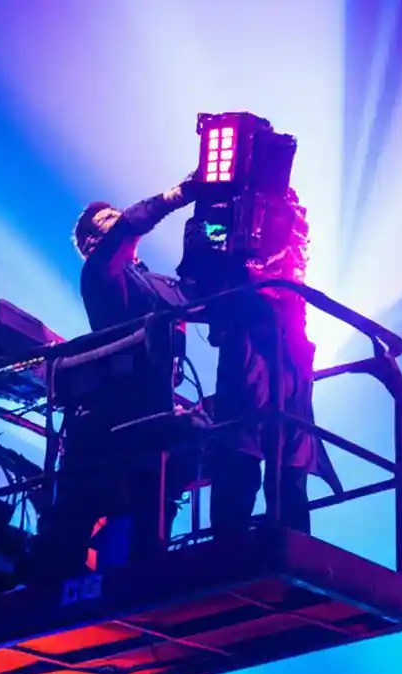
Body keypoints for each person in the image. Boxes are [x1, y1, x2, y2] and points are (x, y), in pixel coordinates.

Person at [33, 178, 197, 579]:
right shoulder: (100, 273)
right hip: (112, 415)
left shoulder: (151, 282)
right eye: (108, 220)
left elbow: (198, 298)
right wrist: (177, 196)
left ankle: (146, 570)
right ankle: (60, 583)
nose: (118, 220)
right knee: (81, 508)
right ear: (92, 241)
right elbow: (127, 228)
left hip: (151, 407)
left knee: (156, 494)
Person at [199, 190, 336, 537]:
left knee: (280, 454)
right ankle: (237, 545)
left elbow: (292, 252)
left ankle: (282, 543)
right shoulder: (238, 202)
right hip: (259, 335)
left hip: (284, 338)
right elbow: (207, 262)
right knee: (244, 451)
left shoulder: (277, 204)